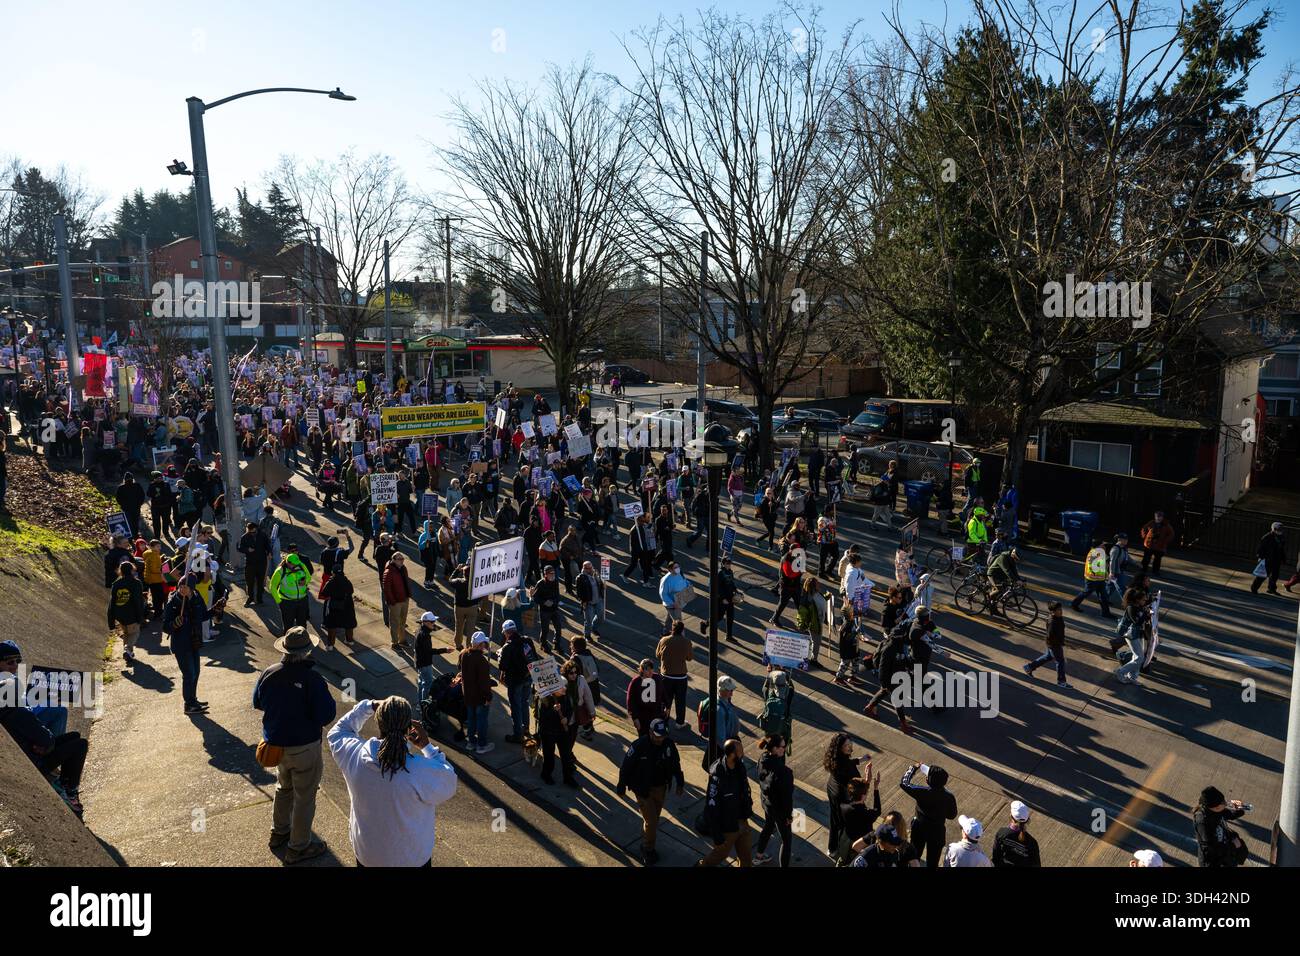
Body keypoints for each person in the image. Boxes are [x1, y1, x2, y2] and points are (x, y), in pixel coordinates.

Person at [327, 696, 458, 867]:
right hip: (412, 859)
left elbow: (338, 732)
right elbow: (449, 781)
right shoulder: (420, 770)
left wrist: (370, 705)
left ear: (379, 723)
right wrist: (427, 748)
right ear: (409, 728)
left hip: (369, 855)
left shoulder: (354, 756)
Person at [252, 626, 338, 865]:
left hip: (276, 745)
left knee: (284, 788)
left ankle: (279, 831)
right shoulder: (312, 679)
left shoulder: (270, 672)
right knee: (304, 797)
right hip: (304, 746)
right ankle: (298, 846)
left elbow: (257, 702)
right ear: (308, 651)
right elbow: (326, 715)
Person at [0, 649, 90, 817]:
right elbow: (46, 739)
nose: (14, 667)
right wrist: (46, 745)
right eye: (10, 662)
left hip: (27, 752)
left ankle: (65, 784)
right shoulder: (20, 712)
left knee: (74, 736)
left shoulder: (8, 708)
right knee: (80, 744)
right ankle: (69, 790)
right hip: (34, 762)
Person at [616, 716, 685, 866]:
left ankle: (647, 837)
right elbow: (626, 766)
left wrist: (680, 782)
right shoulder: (639, 746)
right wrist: (621, 785)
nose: (660, 739)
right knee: (652, 821)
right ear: (650, 732)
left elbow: (675, 764)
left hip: (661, 788)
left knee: (653, 820)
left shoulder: (668, 744)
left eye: (663, 736)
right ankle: (647, 849)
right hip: (642, 789)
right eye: (657, 736)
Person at [162, 573, 226, 714]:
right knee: (189, 674)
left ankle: (193, 699)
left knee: (196, 672)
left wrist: (215, 609)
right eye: (181, 586)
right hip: (180, 644)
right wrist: (174, 624)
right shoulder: (174, 602)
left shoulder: (196, 597)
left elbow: (203, 615)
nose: (182, 589)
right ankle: (189, 704)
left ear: (191, 588)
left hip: (194, 640)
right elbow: (165, 626)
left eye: (185, 587)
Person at [697, 738, 754, 867]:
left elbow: (745, 790)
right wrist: (717, 834)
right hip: (728, 826)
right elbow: (712, 807)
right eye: (741, 751)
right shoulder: (718, 775)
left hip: (742, 821)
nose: (743, 753)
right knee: (719, 855)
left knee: (746, 857)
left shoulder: (740, 767)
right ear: (732, 754)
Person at [900, 762, 958, 868]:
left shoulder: (922, 792)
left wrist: (912, 768)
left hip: (919, 828)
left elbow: (904, 783)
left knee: (914, 857)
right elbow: (952, 815)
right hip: (937, 832)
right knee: (933, 862)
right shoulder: (949, 797)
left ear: (929, 781)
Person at [753, 734, 795, 867]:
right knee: (786, 841)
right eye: (783, 746)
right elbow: (787, 798)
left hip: (767, 803)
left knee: (768, 825)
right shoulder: (784, 772)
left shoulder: (763, 759)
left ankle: (759, 855)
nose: (785, 748)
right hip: (779, 810)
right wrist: (788, 815)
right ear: (775, 749)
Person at [497, 620, 538, 743]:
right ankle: (525, 728)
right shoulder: (527, 641)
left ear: (506, 633)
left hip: (515, 681)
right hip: (528, 678)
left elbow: (502, 666)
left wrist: (499, 655)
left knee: (515, 707)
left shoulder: (507, 647)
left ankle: (518, 734)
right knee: (524, 702)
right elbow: (534, 657)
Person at [822, 733, 863, 856]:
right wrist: (868, 778)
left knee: (834, 819)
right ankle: (843, 848)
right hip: (842, 795)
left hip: (832, 789)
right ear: (840, 747)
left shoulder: (835, 757)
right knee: (843, 823)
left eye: (850, 744)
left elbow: (848, 762)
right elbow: (857, 783)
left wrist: (860, 760)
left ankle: (832, 847)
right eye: (846, 745)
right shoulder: (845, 765)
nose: (850, 747)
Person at [458, 631, 495, 755]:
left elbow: (460, 669)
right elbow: (484, 682)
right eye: (484, 643)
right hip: (480, 697)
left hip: (468, 695)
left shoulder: (464, 655)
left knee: (471, 719)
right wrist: (488, 696)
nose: (485, 646)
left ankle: (471, 742)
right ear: (480, 645)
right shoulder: (482, 661)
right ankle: (481, 745)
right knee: (481, 721)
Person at [1193, 785, 1249, 867]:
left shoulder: (1214, 810)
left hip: (1225, 853)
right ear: (1216, 807)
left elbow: (1229, 814)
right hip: (1215, 861)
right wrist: (1233, 846)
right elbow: (1214, 849)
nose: (1226, 804)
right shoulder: (1203, 823)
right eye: (1223, 803)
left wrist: (1241, 807)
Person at [537, 688, 579, 787]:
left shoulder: (566, 697)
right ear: (554, 689)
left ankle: (568, 778)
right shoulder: (544, 699)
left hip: (562, 732)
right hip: (548, 733)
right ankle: (546, 775)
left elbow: (570, 710)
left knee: (566, 755)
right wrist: (553, 710)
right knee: (549, 756)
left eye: (565, 686)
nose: (565, 688)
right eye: (562, 687)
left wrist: (566, 719)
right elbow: (542, 718)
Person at [106, 560, 146, 664]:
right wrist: (140, 616)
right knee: (135, 633)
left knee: (126, 633)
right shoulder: (136, 583)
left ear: (121, 571)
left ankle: (129, 654)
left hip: (120, 614)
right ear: (132, 570)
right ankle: (127, 649)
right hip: (132, 613)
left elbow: (112, 602)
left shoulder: (116, 584)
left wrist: (111, 619)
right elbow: (138, 601)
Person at [1023, 601, 1069, 688]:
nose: (1061, 611)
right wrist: (1058, 644)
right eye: (1058, 610)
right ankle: (1061, 681)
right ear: (1053, 612)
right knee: (1060, 662)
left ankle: (1029, 667)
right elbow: (1050, 636)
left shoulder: (1059, 618)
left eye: (1061, 609)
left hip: (1054, 644)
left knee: (1047, 657)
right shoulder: (1052, 621)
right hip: (1054, 644)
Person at [656, 620, 692, 730]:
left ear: (672, 628)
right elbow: (689, 658)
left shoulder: (664, 640)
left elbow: (657, 655)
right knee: (680, 701)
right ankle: (680, 722)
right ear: (682, 630)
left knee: (666, 700)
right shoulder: (687, 642)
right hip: (681, 676)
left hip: (666, 676)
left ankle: (664, 720)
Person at [270, 547, 312, 634]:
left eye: (297, 563)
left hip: (302, 601)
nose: (297, 565)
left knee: (302, 625)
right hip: (287, 602)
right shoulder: (280, 571)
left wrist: (305, 582)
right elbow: (272, 586)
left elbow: (308, 576)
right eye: (294, 564)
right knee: (288, 626)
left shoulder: (301, 565)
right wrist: (279, 601)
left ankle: (302, 641)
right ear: (288, 563)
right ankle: (289, 642)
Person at [991, 801, 1041, 867]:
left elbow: (996, 856)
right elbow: (1036, 864)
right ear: (1028, 820)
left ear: (1011, 816)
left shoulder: (1002, 833)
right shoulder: (1032, 842)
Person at [319, 562, 357, 648]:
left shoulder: (331, 582)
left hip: (334, 606)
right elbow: (351, 591)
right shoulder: (347, 581)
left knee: (332, 626)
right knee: (348, 624)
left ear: (333, 572)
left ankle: (330, 645)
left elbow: (324, 593)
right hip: (347, 605)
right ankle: (349, 640)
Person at [529, 564, 564, 656]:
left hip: (554, 609)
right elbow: (535, 598)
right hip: (544, 611)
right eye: (550, 573)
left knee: (558, 627)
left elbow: (557, 594)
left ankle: (556, 644)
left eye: (553, 573)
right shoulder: (540, 584)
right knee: (545, 629)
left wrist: (555, 601)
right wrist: (544, 602)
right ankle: (543, 644)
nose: (552, 575)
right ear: (545, 574)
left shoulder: (555, 581)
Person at [1072, 543, 1114, 618]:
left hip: (1099, 579)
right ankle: (1074, 604)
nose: (1104, 547)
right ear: (1098, 546)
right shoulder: (1095, 553)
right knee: (1086, 592)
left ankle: (1106, 612)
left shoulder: (1098, 552)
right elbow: (1096, 566)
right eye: (1102, 545)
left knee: (1103, 596)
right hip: (1093, 579)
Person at [626, 658, 666, 737]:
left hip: (656, 715)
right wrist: (635, 718)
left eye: (651, 669)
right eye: (648, 670)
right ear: (642, 670)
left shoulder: (657, 678)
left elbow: (663, 692)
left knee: (657, 737)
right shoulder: (635, 682)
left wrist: (667, 705)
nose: (651, 671)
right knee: (644, 738)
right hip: (642, 718)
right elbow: (630, 701)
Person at [382, 551, 412, 648]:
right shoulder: (389, 571)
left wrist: (408, 595)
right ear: (393, 560)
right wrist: (392, 601)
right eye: (399, 559)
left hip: (404, 599)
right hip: (395, 602)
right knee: (394, 622)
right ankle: (394, 643)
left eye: (402, 559)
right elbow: (386, 589)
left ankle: (402, 640)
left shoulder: (403, 568)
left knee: (402, 622)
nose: (402, 561)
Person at [237, 521, 271, 605]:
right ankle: (250, 597)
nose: (252, 534)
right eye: (250, 532)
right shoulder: (244, 537)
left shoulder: (262, 535)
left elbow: (268, 545)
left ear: (257, 529)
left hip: (261, 562)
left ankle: (259, 599)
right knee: (250, 581)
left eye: (254, 532)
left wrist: (269, 552)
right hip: (250, 562)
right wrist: (247, 550)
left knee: (260, 582)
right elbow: (239, 548)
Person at [1252, 521, 1287, 595]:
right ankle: (1254, 588)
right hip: (1268, 559)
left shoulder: (1281, 537)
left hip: (1276, 559)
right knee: (1262, 575)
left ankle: (1271, 589)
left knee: (1275, 575)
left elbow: (1281, 549)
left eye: (1281, 530)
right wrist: (1260, 557)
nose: (1281, 531)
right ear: (1274, 529)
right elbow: (1261, 548)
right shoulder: (1267, 537)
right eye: (1279, 530)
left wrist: (1283, 558)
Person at [657, 560, 692, 633]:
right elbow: (663, 594)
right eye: (675, 567)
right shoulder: (666, 580)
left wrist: (689, 585)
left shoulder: (679, 574)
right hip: (672, 605)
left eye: (678, 566)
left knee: (670, 618)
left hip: (680, 600)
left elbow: (684, 581)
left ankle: (665, 631)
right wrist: (673, 603)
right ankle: (681, 636)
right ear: (670, 569)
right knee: (678, 622)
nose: (678, 568)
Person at [575, 559, 604, 643]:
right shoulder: (580, 578)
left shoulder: (596, 573)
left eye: (591, 567)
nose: (591, 569)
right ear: (584, 569)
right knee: (588, 621)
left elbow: (600, 584)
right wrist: (583, 601)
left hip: (598, 600)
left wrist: (603, 586)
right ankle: (587, 635)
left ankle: (594, 628)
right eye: (588, 568)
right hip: (588, 603)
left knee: (601, 617)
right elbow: (579, 593)